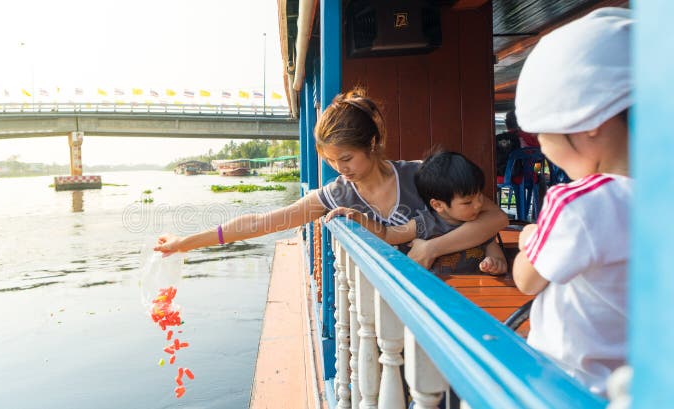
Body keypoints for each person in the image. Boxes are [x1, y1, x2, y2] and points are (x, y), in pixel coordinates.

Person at [155, 88, 507, 269]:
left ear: (372, 143)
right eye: (331, 161)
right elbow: (261, 223)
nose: (341, 169)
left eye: (347, 158)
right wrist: (186, 243)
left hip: (453, 292)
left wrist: (431, 247)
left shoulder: (420, 174)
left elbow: (494, 217)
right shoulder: (337, 196)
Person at [511, 7, 631, 396]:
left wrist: (530, 239)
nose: (544, 150)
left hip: (564, 387)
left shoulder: (576, 202)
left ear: (589, 121)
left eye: (544, 137)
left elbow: (526, 281)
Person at [326, 150, 507, 275]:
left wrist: (494, 263)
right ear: (438, 205)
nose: (478, 206)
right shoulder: (425, 224)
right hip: (434, 299)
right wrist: (360, 218)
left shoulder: (480, 227)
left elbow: (497, 256)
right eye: (468, 202)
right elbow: (388, 234)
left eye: (480, 197)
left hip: (476, 298)